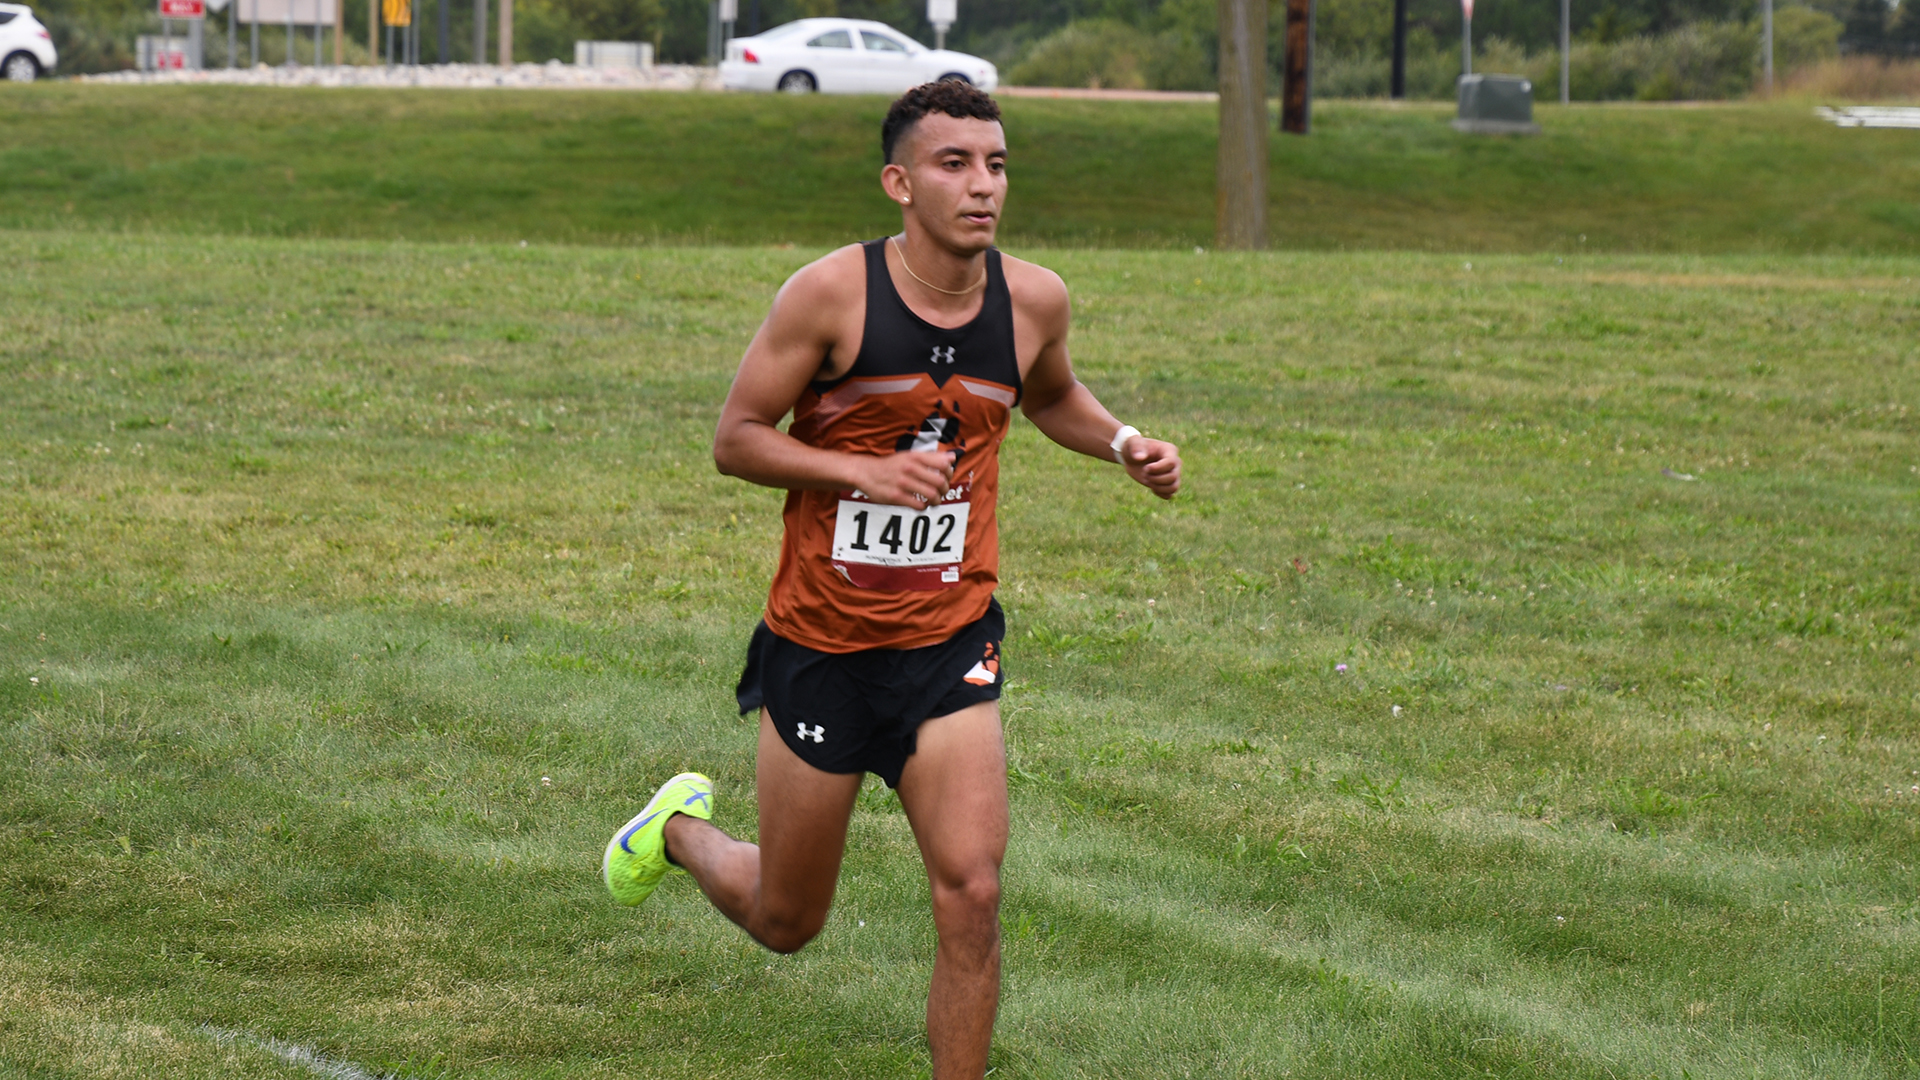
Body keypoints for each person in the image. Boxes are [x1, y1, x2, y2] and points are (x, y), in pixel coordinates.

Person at [601, 79, 1182, 1080]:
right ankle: (679, 832)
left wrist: (1123, 441)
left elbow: (1052, 394)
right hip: (822, 648)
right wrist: (862, 471)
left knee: (974, 894)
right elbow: (735, 441)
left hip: (946, 644)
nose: (982, 186)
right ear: (898, 182)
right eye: (954, 164)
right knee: (788, 920)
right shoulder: (829, 296)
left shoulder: (1033, 299)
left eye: (996, 164)